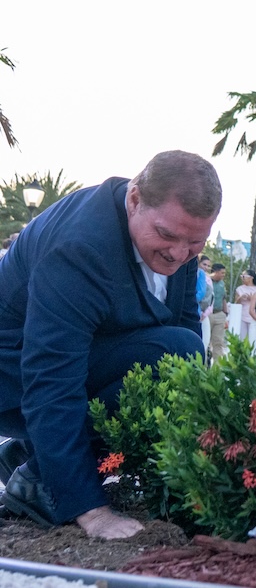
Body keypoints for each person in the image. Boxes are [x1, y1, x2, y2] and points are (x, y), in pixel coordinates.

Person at [0, 151, 220, 539]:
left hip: (78, 357)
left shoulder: (177, 235)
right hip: (14, 372)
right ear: (134, 199)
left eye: (195, 243)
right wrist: (91, 510)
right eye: (167, 236)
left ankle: (35, 455)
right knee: (174, 354)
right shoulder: (79, 248)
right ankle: (39, 481)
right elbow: (50, 378)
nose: (179, 254)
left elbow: (183, 329)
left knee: (185, 355)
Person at [208, 263, 229, 361]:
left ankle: (218, 367)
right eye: (222, 273)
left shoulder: (222, 283)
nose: (223, 275)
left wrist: (225, 313)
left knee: (218, 342)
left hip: (219, 314)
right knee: (206, 341)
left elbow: (223, 298)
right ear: (215, 272)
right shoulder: (207, 281)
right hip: (208, 315)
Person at [234, 269, 256, 340]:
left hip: (254, 316)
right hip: (242, 316)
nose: (242, 278)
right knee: (242, 338)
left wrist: (252, 299)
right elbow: (236, 303)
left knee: (253, 338)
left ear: (251, 278)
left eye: (244, 276)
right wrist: (240, 298)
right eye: (241, 276)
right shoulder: (239, 289)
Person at [197, 255, 214, 354]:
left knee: (205, 341)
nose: (206, 267)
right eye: (204, 264)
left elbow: (211, 299)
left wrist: (204, 314)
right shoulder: (195, 275)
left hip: (204, 314)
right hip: (194, 312)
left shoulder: (208, 279)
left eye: (208, 265)